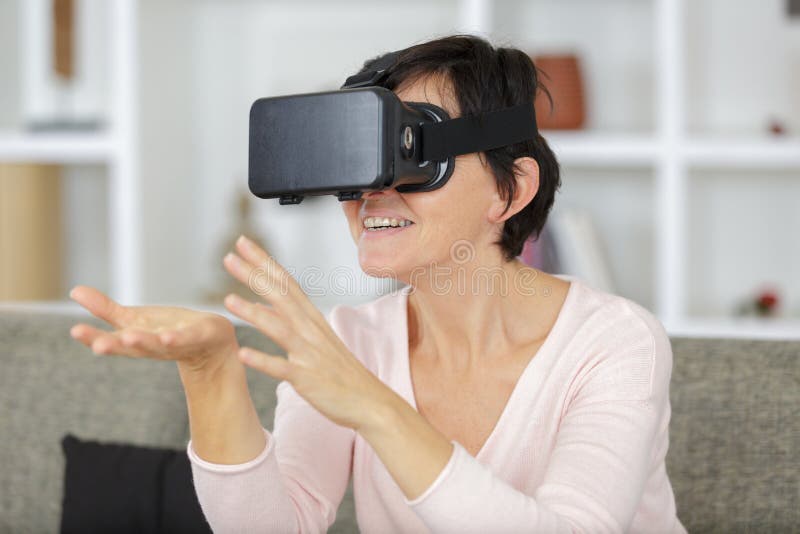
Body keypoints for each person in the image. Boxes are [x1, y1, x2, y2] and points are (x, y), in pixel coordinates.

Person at [69, 34, 687, 533]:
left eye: (409, 149)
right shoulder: (352, 340)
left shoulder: (614, 343)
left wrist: (369, 402)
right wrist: (209, 373)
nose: (372, 192)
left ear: (510, 188)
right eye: (360, 156)